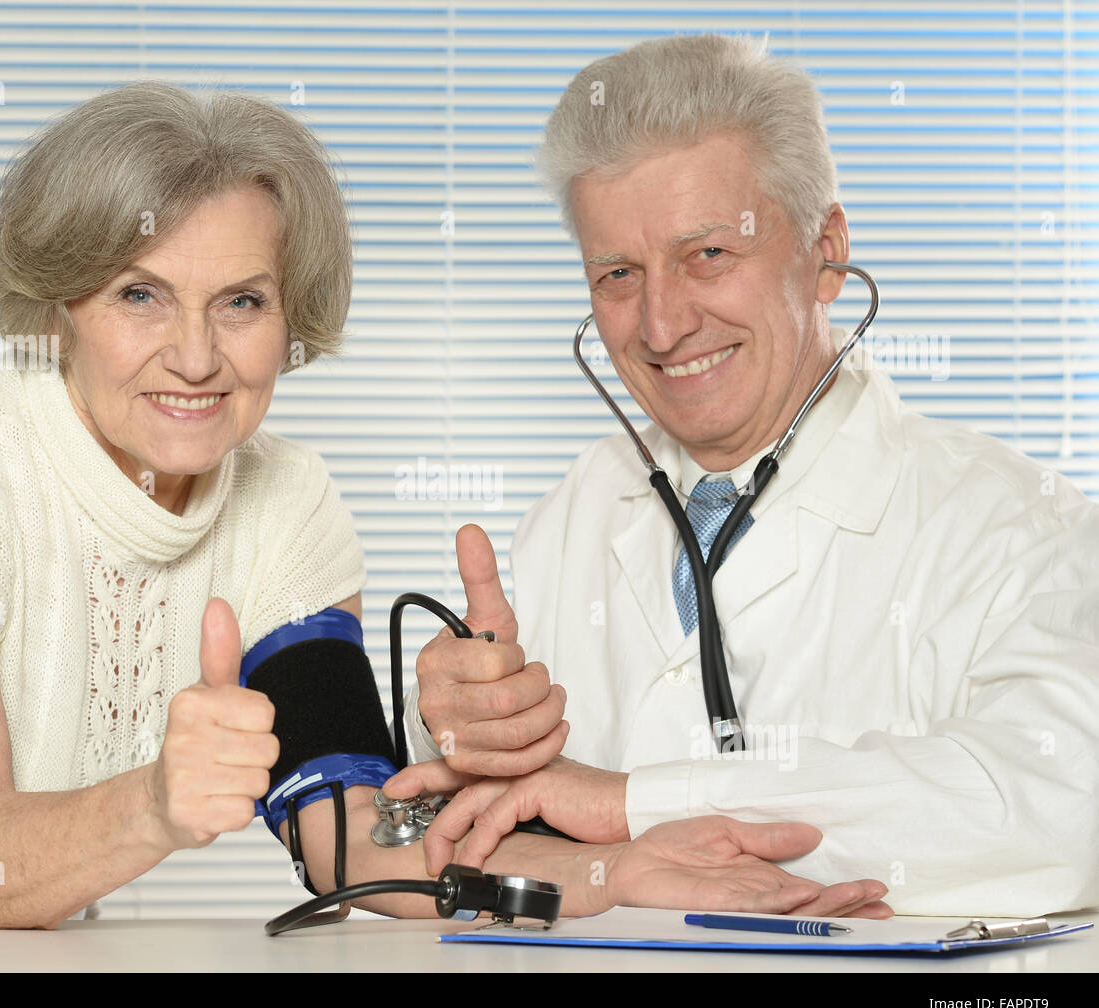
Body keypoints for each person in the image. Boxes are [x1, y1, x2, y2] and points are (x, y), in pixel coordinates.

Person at [0, 79, 890, 926]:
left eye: (241, 301)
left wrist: (610, 868)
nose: (194, 355)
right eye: (140, 295)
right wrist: (154, 805)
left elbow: (352, 841)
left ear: (292, 316)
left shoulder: (284, 504)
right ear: (58, 305)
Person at [391, 34, 1099, 917]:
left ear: (827, 252)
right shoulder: (568, 521)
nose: (660, 325)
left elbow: (1060, 814)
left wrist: (626, 801)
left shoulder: (1015, 525)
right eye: (617, 274)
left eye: (708, 255)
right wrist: (462, 730)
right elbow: (468, 829)